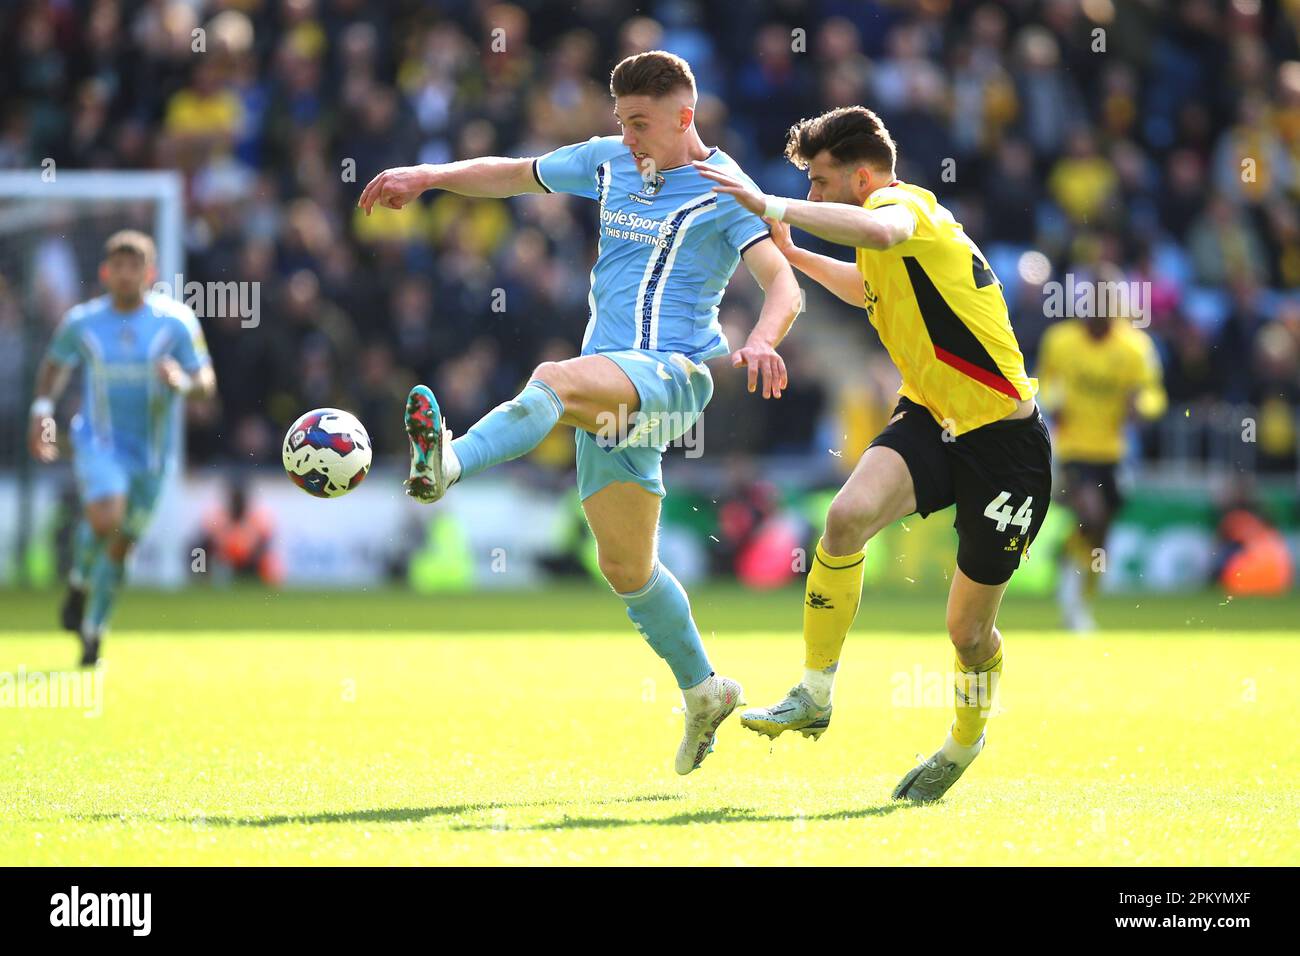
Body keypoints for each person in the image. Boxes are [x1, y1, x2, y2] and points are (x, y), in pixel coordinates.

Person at [359, 51, 801, 775]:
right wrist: (429, 176)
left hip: (675, 376)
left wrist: (760, 340)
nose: (627, 136)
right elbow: (515, 173)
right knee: (627, 569)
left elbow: (783, 281)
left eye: (640, 123)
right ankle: (704, 690)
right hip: (616, 388)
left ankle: (449, 461)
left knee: (553, 380)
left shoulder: (727, 191)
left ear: (684, 118)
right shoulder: (608, 162)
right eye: (620, 121)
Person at [695, 106, 1052, 802]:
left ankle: (962, 743)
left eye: (823, 183)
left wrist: (775, 204)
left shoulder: (902, 207)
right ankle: (816, 691)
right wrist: (794, 255)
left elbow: (881, 229)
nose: (817, 197)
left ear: (863, 176)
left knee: (968, 631)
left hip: (1005, 444)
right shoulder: (886, 241)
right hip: (932, 417)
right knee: (844, 520)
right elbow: (868, 287)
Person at [28, 230, 217, 665]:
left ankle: (93, 629)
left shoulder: (176, 323)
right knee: (107, 515)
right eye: (119, 267)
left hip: (152, 455)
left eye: (136, 267)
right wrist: (42, 409)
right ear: (105, 272)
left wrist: (183, 384)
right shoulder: (83, 321)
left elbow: (206, 384)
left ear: (149, 273)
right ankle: (77, 580)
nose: (127, 275)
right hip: (99, 441)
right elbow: (55, 363)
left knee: (121, 544)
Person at [1037, 309, 1167, 630]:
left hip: (1113, 452)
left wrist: (1142, 406)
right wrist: (1055, 402)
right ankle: (1075, 603)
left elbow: (1155, 394)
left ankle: (1074, 583)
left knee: (1100, 535)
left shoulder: (1135, 347)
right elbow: (1043, 381)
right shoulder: (1060, 340)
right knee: (1091, 514)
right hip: (1072, 449)